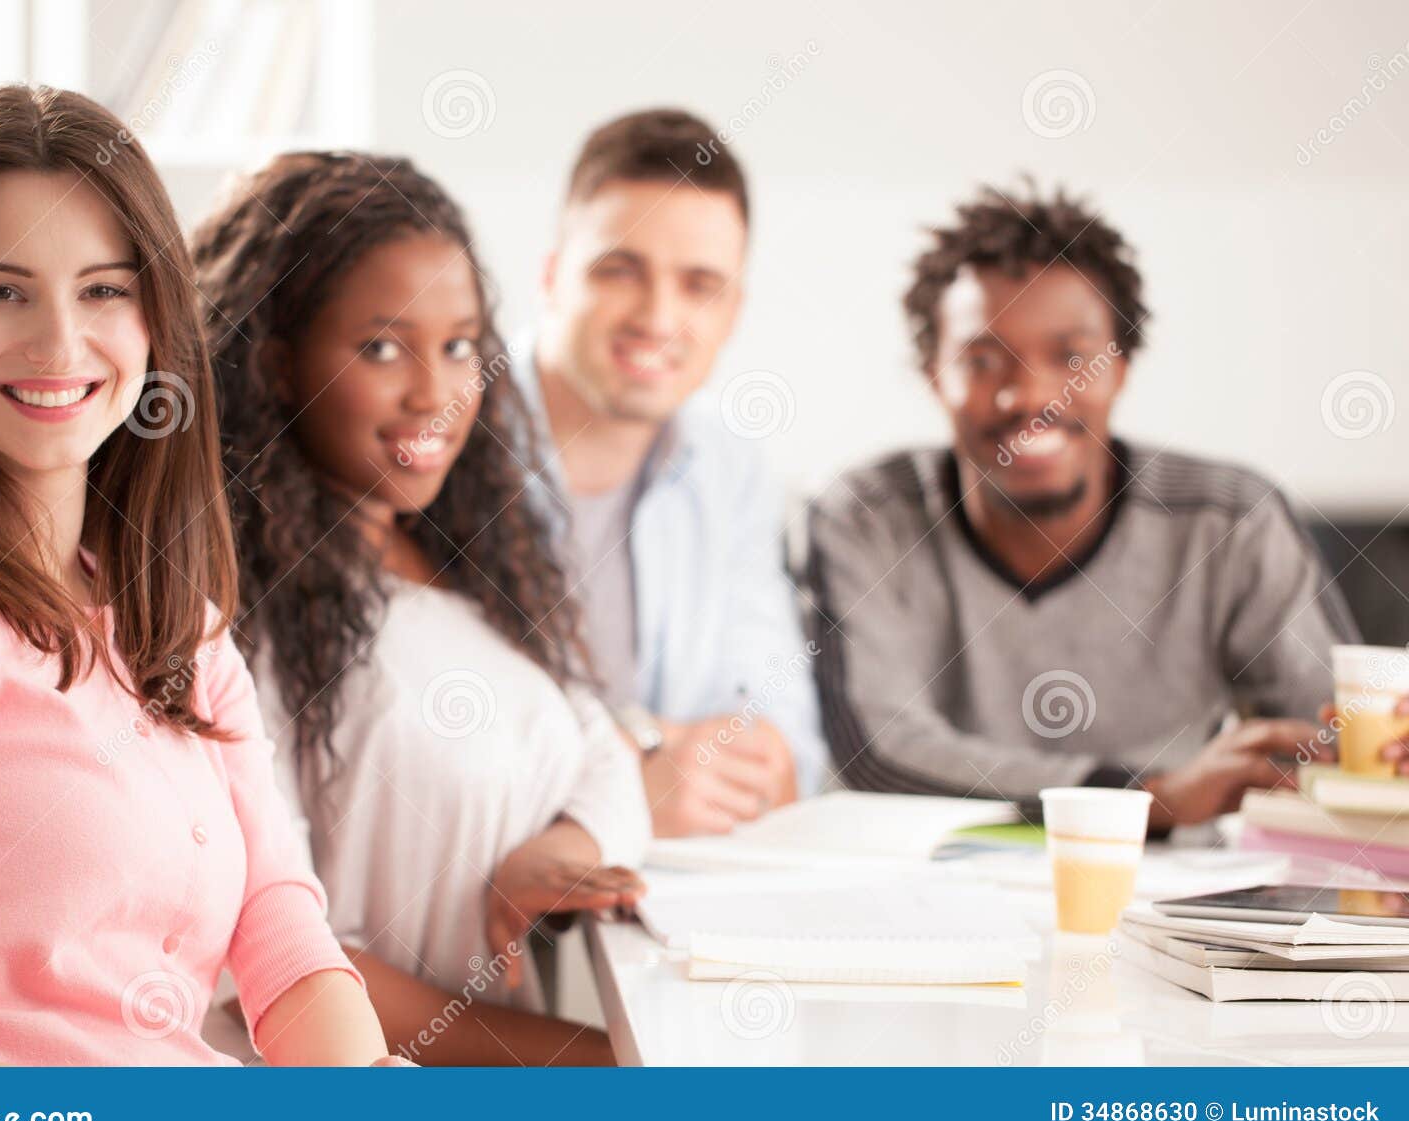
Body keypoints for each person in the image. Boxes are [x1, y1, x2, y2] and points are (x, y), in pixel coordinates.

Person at [0, 87, 397, 1066]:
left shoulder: (179, 621)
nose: (58, 342)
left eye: (103, 290)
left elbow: (284, 935)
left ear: (155, 319)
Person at [194, 151, 650, 1066]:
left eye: (458, 346)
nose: (435, 393)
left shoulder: (467, 559)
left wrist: (554, 848)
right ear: (279, 365)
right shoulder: (238, 609)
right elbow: (262, 956)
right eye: (381, 347)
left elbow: (605, 750)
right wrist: (577, 1063)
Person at [807, 186, 1357, 831]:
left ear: (1120, 369)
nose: (1029, 393)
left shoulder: (1231, 522)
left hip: (1166, 900)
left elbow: (1340, 740)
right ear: (934, 374)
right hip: (926, 894)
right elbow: (877, 756)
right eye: (982, 358)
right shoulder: (866, 516)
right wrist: (1151, 799)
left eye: (1071, 357)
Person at [513, 108, 827, 837]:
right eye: (621, 270)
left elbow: (784, 732)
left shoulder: (730, 463)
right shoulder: (444, 431)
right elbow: (442, 733)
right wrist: (634, 778)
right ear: (553, 276)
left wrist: (746, 761)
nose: (658, 317)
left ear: (734, 311)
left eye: (699, 285)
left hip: (666, 897)